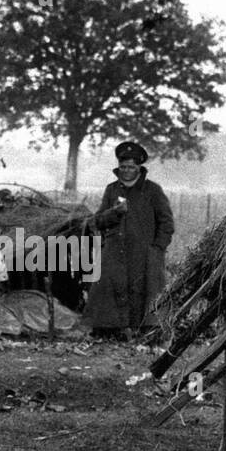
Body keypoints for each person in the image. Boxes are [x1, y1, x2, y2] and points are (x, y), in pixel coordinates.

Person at [81, 141, 175, 337]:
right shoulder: (112, 190)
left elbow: (166, 223)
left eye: (131, 167)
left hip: (144, 252)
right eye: (123, 167)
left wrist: (157, 248)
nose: (126, 171)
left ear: (139, 168)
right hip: (115, 251)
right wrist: (114, 213)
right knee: (109, 287)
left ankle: (147, 332)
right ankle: (109, 330)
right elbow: (97, 221)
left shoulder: (152, 190)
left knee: (146, 291)